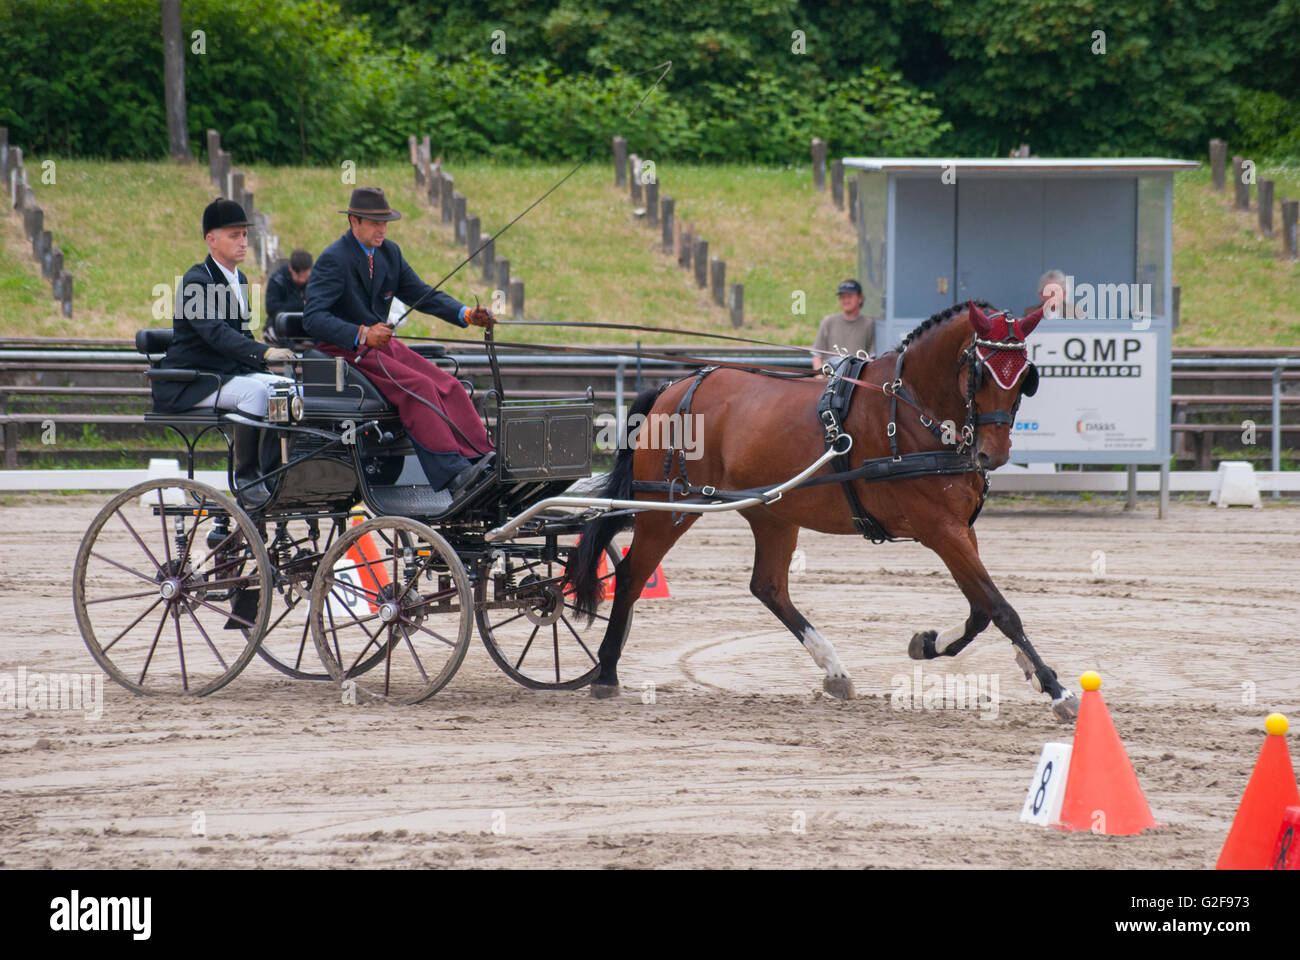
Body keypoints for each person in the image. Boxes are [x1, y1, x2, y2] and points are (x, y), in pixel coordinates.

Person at [303, 186, 496, 495]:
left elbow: (421, 293)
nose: (382, 229)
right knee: (418, 387)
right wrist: (362, 333)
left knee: (448, 384)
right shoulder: (333, 259)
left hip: (380, 344)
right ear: (354, 222)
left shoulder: (389, 253)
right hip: (345, 349)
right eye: (374, 222)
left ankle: (482, 456)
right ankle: (451, 471)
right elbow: (313, 319)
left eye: (385, 222)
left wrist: (466, 314)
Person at [150, 198, 298, 503]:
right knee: (254, 394)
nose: (243, 242)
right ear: (211, 239)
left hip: (227, 373)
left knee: (285, 388)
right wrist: (263, 352)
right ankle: (247, 478)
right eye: (234, 236)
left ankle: (273, 474)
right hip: (194, 379)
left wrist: (266, 365)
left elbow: (241, 334)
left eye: (244, 235)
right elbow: (216, 334)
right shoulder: (195, 282)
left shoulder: (239, 279)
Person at [812, 278, 873, 371]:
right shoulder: (828, 322)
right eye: (842, 297)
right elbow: (817, 356)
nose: (845, 300)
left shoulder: (868, 324)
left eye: (849, 296)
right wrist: (819, 377)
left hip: (856, 380)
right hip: (829, 379)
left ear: (860, 298)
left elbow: (872, 357)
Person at [265, 248, 312, 320]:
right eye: (299, 276)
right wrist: (301, 305)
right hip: (281, 324)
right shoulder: (278, 280)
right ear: (290, 268)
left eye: (305, 277)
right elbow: (271, 308)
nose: (302, 280)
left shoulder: (315, 280)